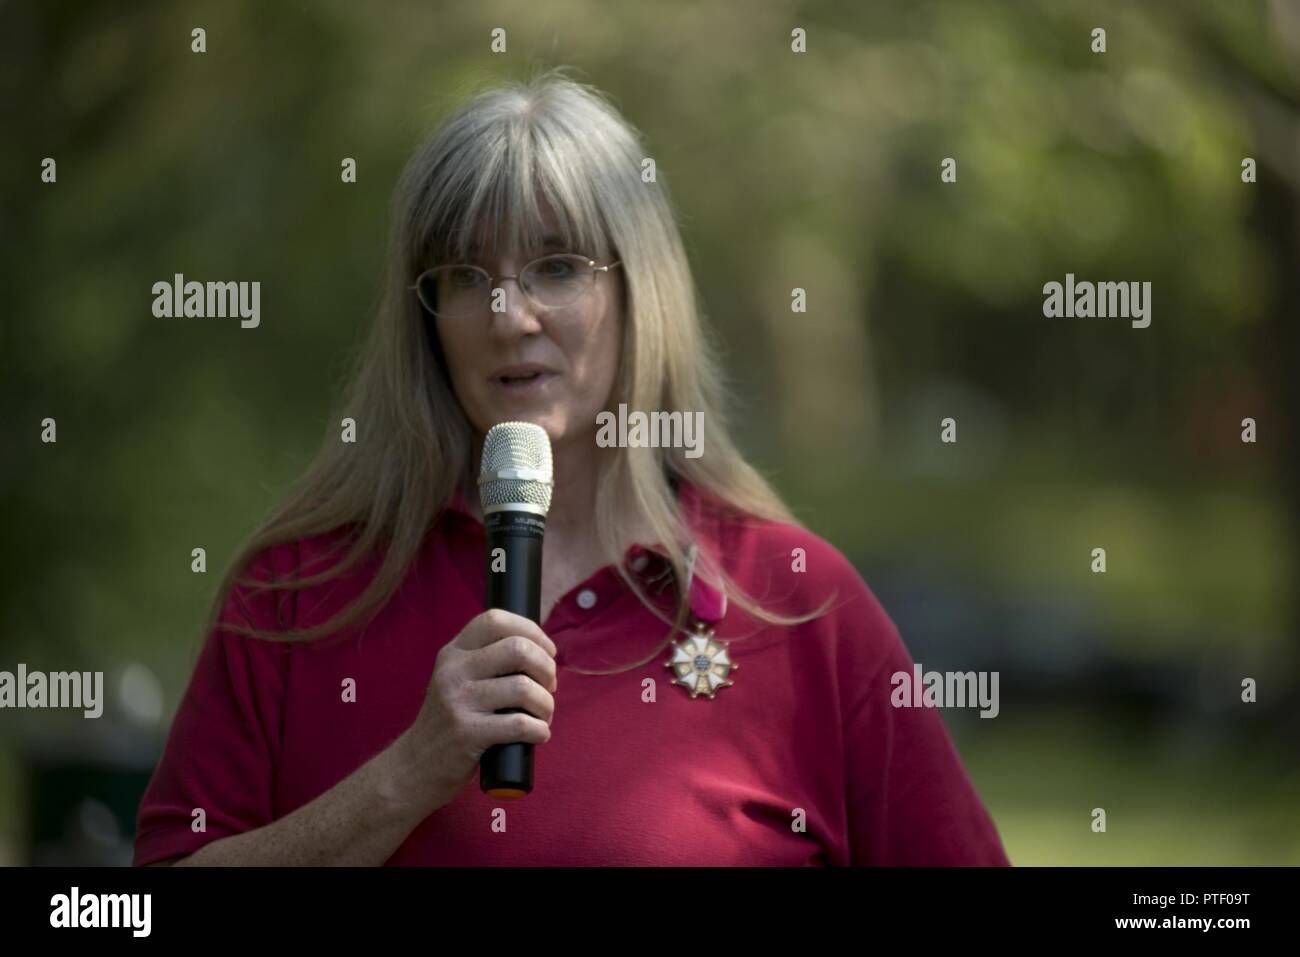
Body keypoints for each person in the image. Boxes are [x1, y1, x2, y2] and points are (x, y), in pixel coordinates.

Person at [133, 67, 1009, 866]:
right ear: (425, 318)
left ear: (642, 290)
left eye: (556, 266)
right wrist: (403, 776)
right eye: (468, 275)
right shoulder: (300, 590)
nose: (511, 317)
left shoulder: (796, 601)